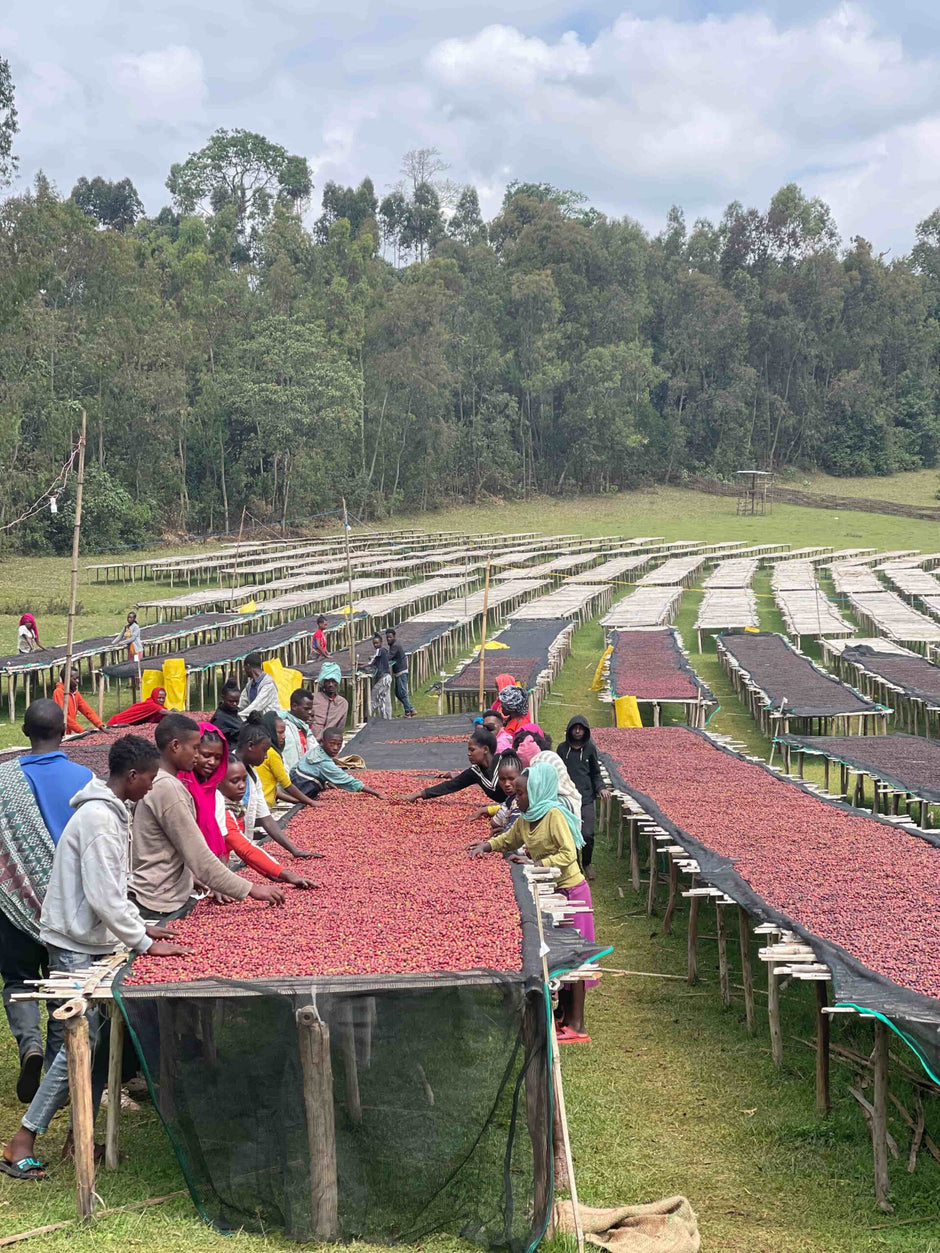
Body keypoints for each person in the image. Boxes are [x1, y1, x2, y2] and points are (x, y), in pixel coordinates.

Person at [0, 734, 190, 1180]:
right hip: (75, 946)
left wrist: (140, 926)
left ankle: (76, 1137)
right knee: (77, 1047)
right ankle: (22, 1140)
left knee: (92, 1045)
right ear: (131, 775)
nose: (150, 787)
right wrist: (144, 943)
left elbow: (111, 890)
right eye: (148, 779)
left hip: (89, 939)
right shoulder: (101, 821)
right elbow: (104, 898)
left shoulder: (109, 813)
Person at [0, 701, 94, 1105]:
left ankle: (29, 1046)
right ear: (63, 731)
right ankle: (56, 1062)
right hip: (68, 902)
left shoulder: (3, 779)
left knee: (17, 979)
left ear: (24, 732)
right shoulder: (86, 779)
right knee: (63, 984)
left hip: (13, 902)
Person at [470, 759, 595, 1044]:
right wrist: (485, 846)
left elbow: (567, 854)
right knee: (560, 959)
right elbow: (508, 838)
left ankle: (577, 1025)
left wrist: (534, 860)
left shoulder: (554, 815)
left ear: (537, 792)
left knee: (575, 959)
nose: (517, 796)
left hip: (571, 890)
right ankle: (563, 1015)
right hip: (551, 888)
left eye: (522, 793)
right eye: (517, 793)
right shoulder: (527, 817)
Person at [129, 713, 285, 923]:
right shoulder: (169, 789)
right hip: (158, 901)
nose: (197, 756)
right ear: (175, 746)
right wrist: (251, 889)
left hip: (163, 891)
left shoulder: (167, 783)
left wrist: (189, 878)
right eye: (195, 748)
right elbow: (198, 854)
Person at [182, 729, 316, 889]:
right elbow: (240, 846)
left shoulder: (217, 797)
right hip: (183, 881)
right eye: (206, 755)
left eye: (217, 758)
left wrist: (280, 871)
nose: (212, 762)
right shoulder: (183, 791)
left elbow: (243, 843)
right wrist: (249, 887)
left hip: (208, 878)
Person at [235, 721, 325, 856]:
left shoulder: (253, 774)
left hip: (238, 840)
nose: (265, 756)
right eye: (264, 751)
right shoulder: (227, 769)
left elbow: (266, 819)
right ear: (251, 746)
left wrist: (295, 851)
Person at [400, 727, 512, 805]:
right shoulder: (475, 772)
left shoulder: (505, 762)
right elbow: (451, 785)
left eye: (472, 750)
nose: (469, 754)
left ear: (485, 750)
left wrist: (487, 810)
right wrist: (419, 794)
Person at [557, 716, 610, 881]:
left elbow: (595, 773)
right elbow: (556, 772)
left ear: (585, 731)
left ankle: (587, 863)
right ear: (570, 730)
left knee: (587, 834)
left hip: (586, 798)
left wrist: (601, 788)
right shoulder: (561, 749)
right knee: (570, 834)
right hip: (567, 799)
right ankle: (576, 865)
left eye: (581, 728)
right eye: (575, 728)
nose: (578, 731)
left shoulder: (589, 750)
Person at [251, 712, 323, 810]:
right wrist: (310, 801)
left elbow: (272, 789)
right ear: (270, 731)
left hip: (262, 802)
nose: (284, 736)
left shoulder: (265, 751)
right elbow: (287, 784)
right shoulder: (272, 754)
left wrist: (296, 800)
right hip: (263, 806)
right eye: (280, 732)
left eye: (284, 732)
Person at [292, 726, 387, 800]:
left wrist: (326, 781)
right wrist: (377, 793)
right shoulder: (324, 763)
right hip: (303, 790)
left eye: (339, 744)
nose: (335, 748)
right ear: (322, 742)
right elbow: (349, 781)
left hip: (294, 784)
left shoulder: (315, 751)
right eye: (332, 743)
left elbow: (296, 767)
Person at [466, 750, 523, 833]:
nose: (506, 784)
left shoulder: (520, 803)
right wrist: (485, 810)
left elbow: (513, 833)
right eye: (502, 779)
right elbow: (495, 822)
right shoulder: (509, 800)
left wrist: (490, 844)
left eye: (511, 779)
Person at [53, 667, 104, 734]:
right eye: (75, 679)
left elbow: (87, 710)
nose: (77, 681)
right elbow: (63, 716)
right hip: (57, 732)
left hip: (68, 731)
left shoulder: (75, 693)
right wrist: (81, 731)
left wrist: (100, 725)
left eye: (78, 678)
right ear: (67, 679)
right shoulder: (58, 692)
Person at [310, 662, 348, 740]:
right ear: (323, 682)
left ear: (337, 682)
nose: (331, 684)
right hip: (312, 740)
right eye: (327, 681)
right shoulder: (313, 698)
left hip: (330, 742)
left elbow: (340, 727)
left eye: (333, 681)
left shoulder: (342, 703)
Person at [280, 687, 315, 774]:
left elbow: (314, 753)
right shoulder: (284, 728)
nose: (310, 712)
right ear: (294, 706)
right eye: (306, 709)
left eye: (311, 708)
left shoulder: (304, 728)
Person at [237, 653, 279, 720]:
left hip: (270, 722)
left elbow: (256, 706)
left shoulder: (268, 684)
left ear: (248, 666)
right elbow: (242, 702)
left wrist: (238, 716)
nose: (244, 670)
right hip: (257, 720)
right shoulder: (250, 685)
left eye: (244, 668)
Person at [385, 628, 416, 717]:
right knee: (398, 693)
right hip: (399, 671)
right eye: (387, 637)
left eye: (390, 637)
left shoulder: (395, 645)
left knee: (402, 693)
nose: (388, 639)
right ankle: (411, 709)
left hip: (401, 671)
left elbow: (389, 657)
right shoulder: (393, 645)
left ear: (394, 636)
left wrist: (380, 657)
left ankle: (408, 712)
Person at [364, 633, 392, 719]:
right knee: (385, 699)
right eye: (374, 644)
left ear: (381, 642)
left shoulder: (380, 650)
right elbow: (373, 662)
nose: (375, 645)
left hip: (384, 678)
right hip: (387, 678)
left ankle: (366, 717)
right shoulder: (383, 651)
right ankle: (386, 717)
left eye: (377, 643)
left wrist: (360, 666)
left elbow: (371, 663)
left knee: (373, 696)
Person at [211, 679, 244, 747]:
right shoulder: (219, 719)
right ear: (223, 698)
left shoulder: (234, 713)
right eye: (231, 701)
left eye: (237, 701)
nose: (235, 704)